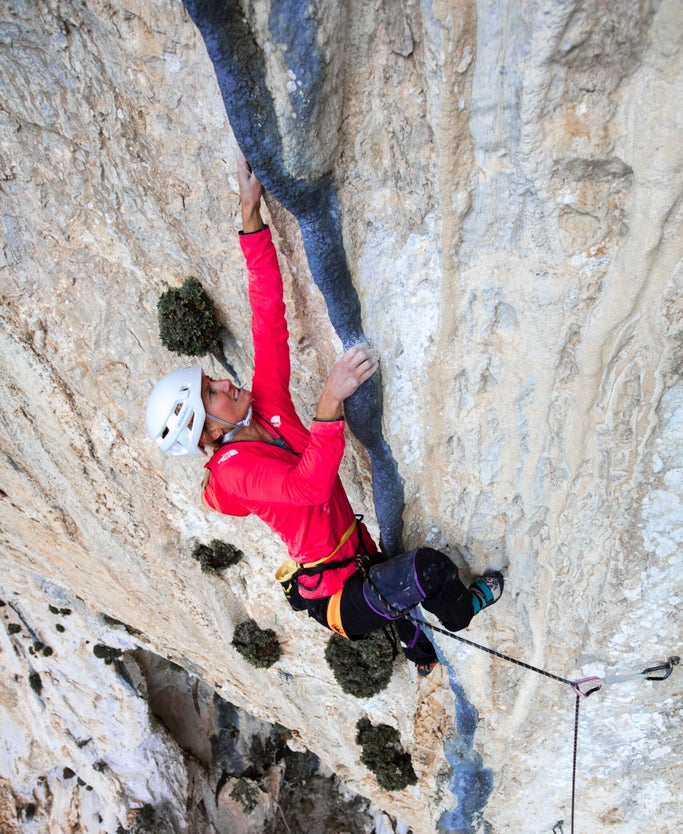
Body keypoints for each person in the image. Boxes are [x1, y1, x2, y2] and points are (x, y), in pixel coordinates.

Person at [146, 155, 503, 673]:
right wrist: (328, 403)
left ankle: (419, 653)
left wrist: (250, 215)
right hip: (339, 599)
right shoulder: (234, 470)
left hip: (351, 554)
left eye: (212, 379)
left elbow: (267, 317)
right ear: (209, 431)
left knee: (398, 594)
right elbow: (306, 489)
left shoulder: (261, 409)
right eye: (212, 392)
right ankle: (462, 614)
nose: (225, 381)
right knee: (427, 571)